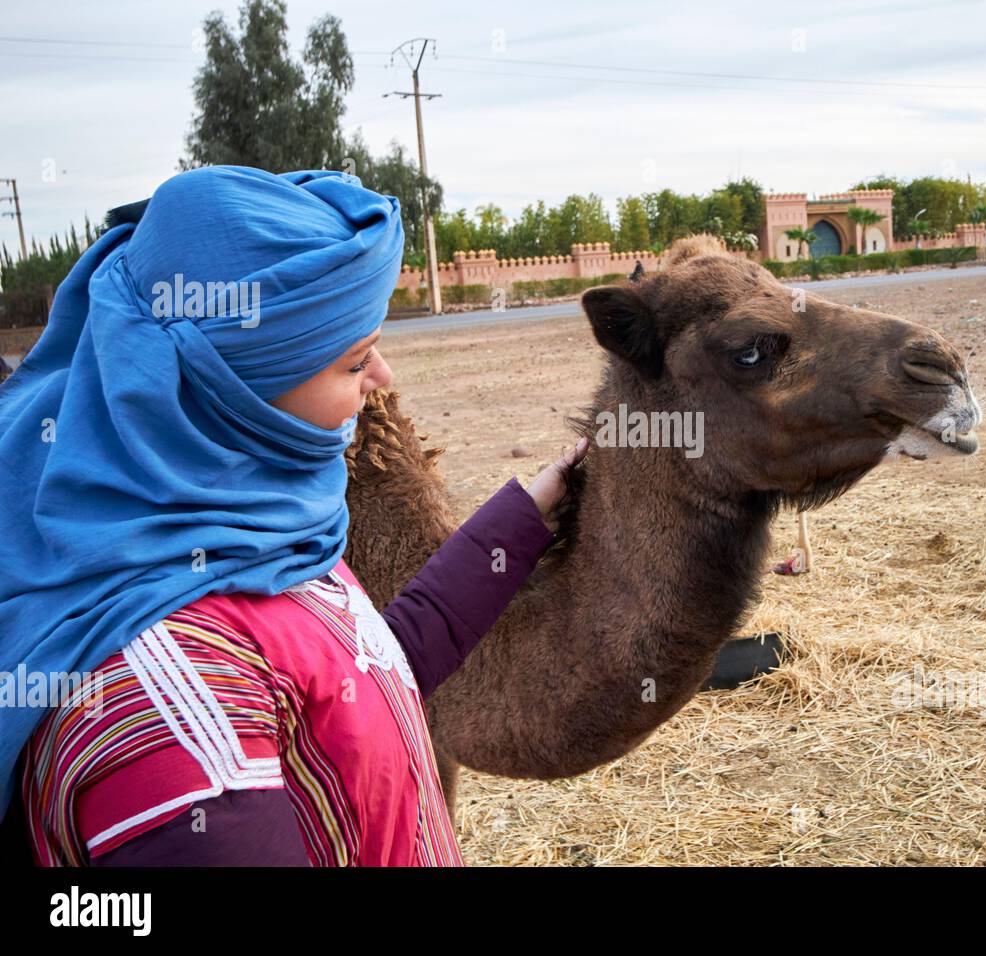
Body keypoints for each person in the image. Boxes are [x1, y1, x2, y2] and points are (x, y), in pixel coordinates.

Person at [0, 165, 585, 866]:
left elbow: (360, 673)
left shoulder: (238, 532)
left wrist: (524, 517)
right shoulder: (177, 720)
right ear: (232, 392)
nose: (382, 380)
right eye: (353, 361)